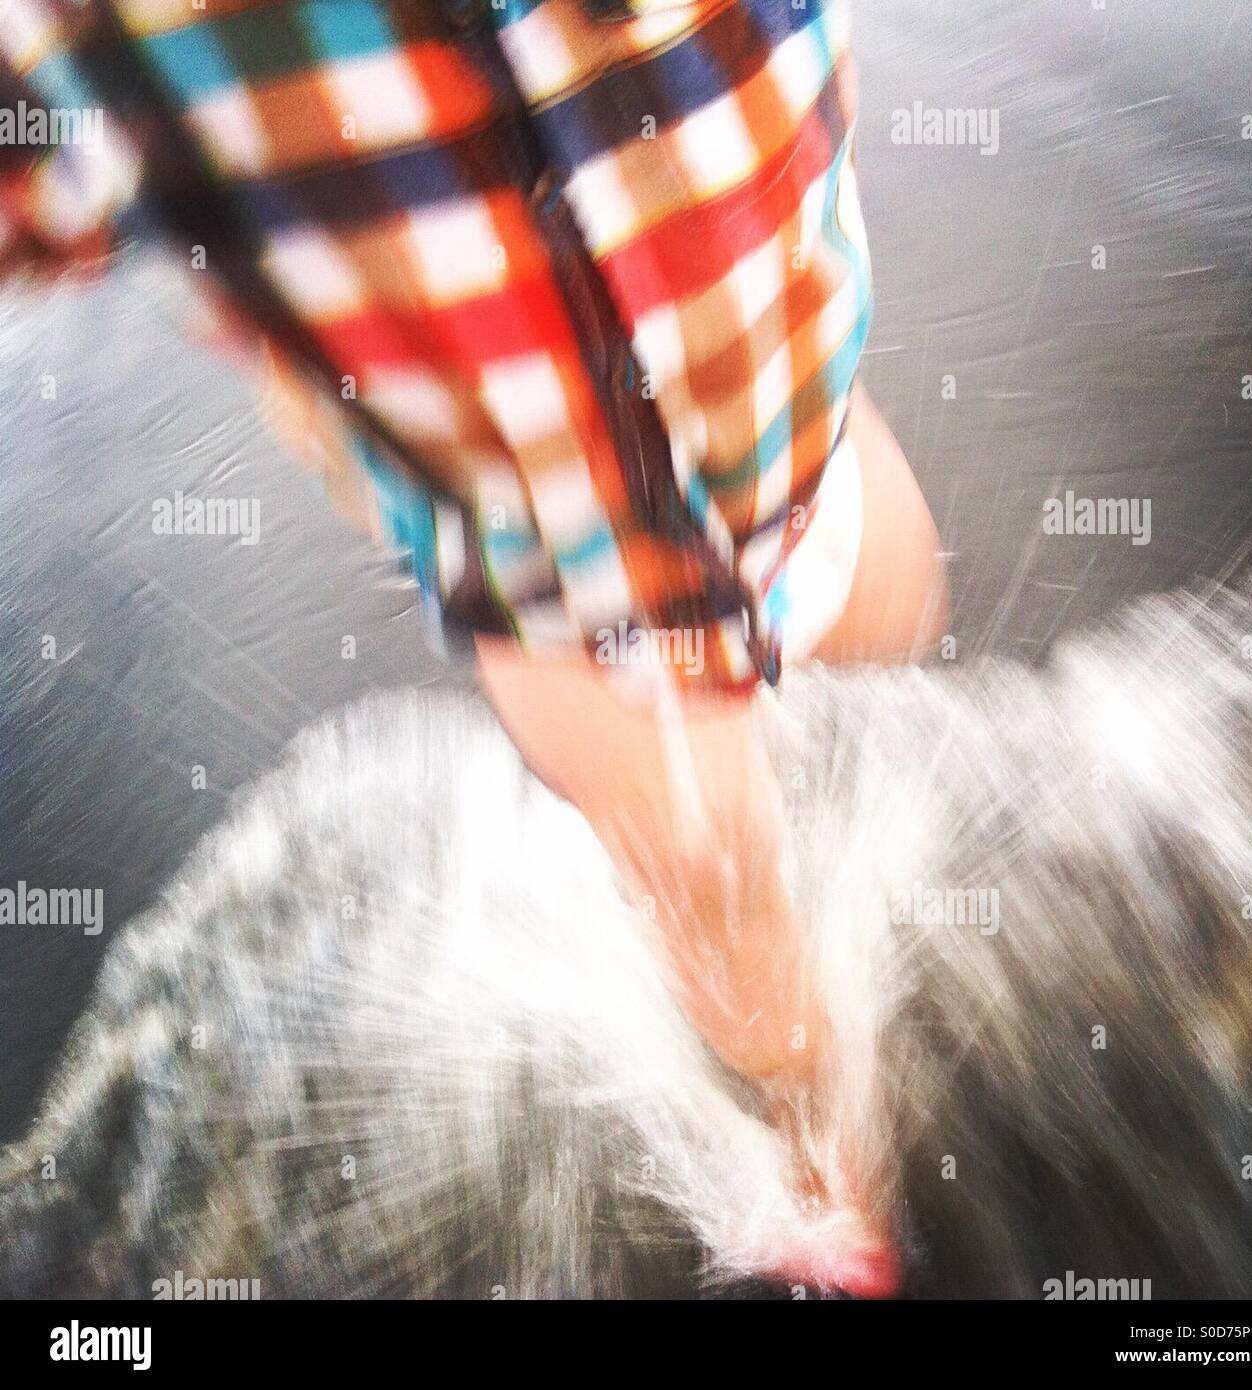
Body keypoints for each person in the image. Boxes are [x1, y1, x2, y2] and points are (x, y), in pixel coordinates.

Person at [1, 0, 946, 1263]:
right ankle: (819, 1182)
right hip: (575, 597)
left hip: (791, 420)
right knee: (726, 901)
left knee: (893, 613)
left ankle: (780, 690)